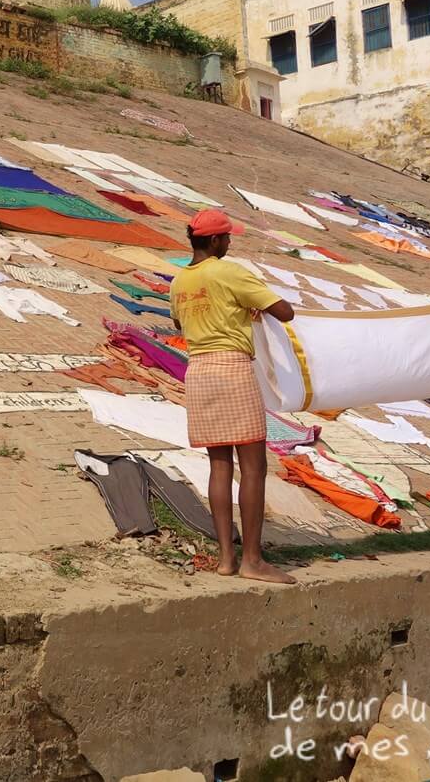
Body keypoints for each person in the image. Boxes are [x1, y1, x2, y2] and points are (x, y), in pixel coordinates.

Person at [169, 209, 296, 583]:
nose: (229, 243)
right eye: (226, 237)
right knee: (254, 468)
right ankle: (252, 560)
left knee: (220, 467)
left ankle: (227, 558)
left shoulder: (179, 281)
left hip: (199, 372)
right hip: (233, 370)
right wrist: (249, 307)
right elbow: (284, 312)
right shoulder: (231, 272)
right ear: (213, 241)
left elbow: (180, 323)